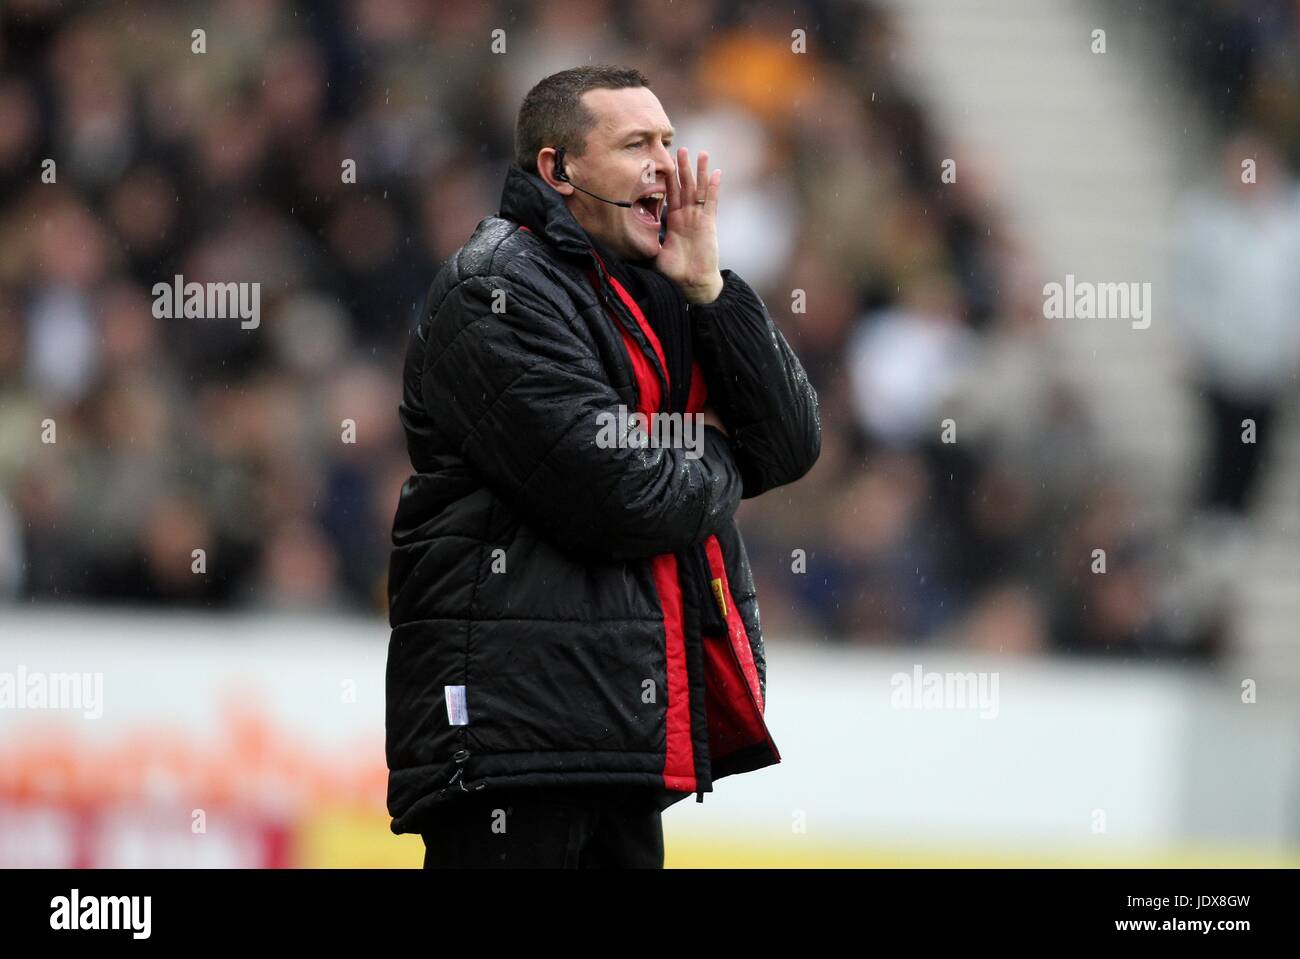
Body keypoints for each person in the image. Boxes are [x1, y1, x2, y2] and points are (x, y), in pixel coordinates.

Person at [386, 65, 821, 868]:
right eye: (635, 145)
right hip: (514, 743)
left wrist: (709, 288)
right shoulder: (495, 289)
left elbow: (789, 442)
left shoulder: (664, 286)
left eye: (668, 140)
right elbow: (619, 494)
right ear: (558, 170)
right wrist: (716, 444)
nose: (665, 163)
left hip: (622, 737)